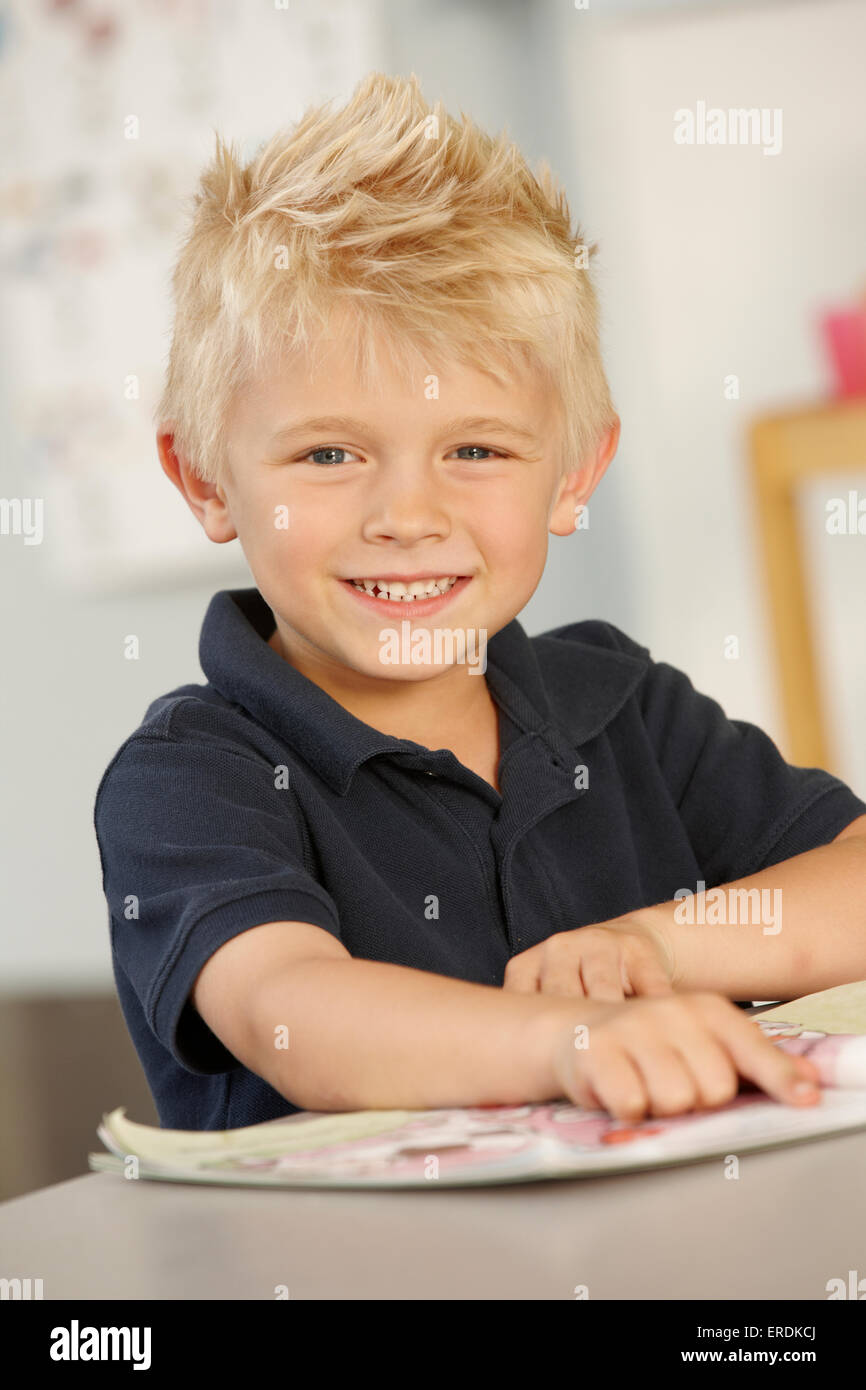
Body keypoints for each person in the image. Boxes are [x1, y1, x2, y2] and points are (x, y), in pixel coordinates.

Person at [94, 72, 866, 1132]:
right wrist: (570, 1042)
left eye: (474, 449)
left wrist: (653, 947)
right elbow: (291, 1014)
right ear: (206, 481)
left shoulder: (621, 705)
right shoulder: (189, 777)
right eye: (328, 452)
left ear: (573, 473)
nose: (406, 514)